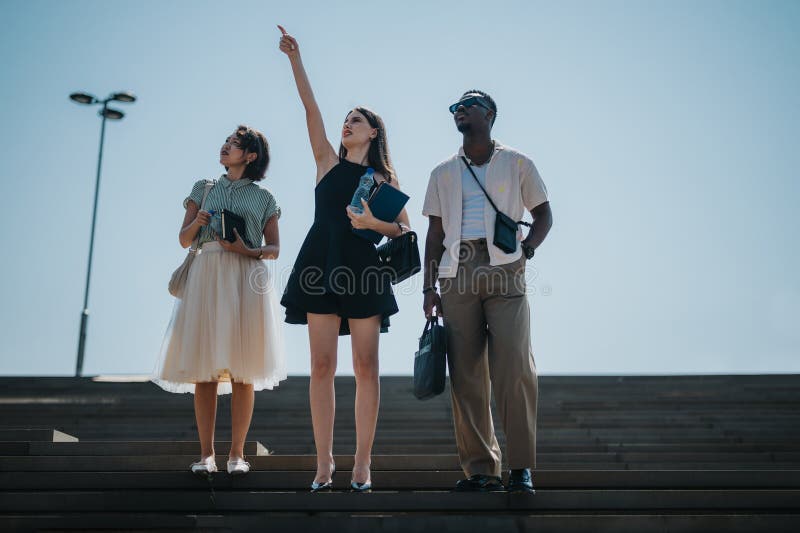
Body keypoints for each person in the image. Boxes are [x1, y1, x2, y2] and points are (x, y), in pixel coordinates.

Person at [277, 26, 410, 493]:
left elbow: (405, 232)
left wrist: (374, 225)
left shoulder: (382, 181)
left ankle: (362, 464)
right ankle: (324, 463)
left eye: (357, 119)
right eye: (346, 118)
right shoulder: (326, 164)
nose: (347, 123)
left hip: (364, 268)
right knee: (320, 366)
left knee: (367, 367)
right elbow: (310, 108)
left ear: (374, 131)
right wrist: (296, 59)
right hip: (321, 260)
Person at [422, 90, 552, 493]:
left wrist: (526, 251)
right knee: (466, 374)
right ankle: (481, 469)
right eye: (455, 107)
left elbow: (544, 215)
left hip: (506, 270)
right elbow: (435, 233)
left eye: (468, 104)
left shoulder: (518, 163)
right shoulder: (442, 171)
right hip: (455, 271)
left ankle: (521, 468)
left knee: (514, 366)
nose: (459, 110)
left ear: (490, 114)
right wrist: (429, 287)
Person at [153, 125, 286, 476]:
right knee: (204, 368)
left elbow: (275, 249)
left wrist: (248, 249)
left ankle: (237, 454)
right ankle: (206, 455)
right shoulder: (204, 187)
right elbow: (184, 240)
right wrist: (197, 221)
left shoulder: (265, 197)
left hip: (245, 275)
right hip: (208, 272)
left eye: (234, 144)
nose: (225, 147)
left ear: (251, 155)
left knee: (244, 370)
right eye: (226, 143)